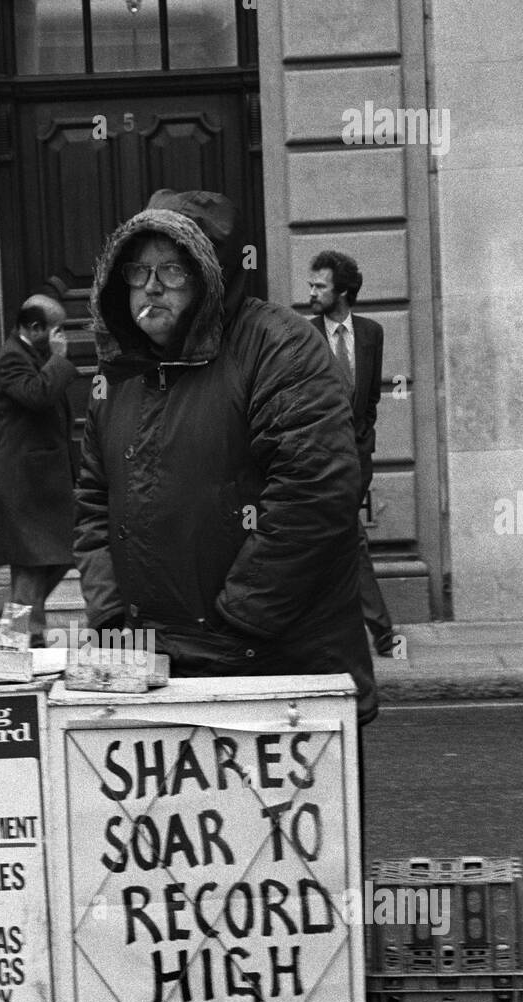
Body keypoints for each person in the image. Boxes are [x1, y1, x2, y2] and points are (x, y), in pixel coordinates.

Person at [74, 189, 378, 726]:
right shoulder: (117, 375)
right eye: (137, 271)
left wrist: (238, 619)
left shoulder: (279, 347)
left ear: (209, 274)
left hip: (278, 674)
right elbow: (95, 505)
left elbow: (315, 493)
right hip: (161, 674)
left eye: (172, 270)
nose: (151, 286)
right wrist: (112, 615)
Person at [308, 250, 397, 657]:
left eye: (319, 286)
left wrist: (363, 440)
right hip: (319, 458)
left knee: (339, 538)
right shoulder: (305, 335)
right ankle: (381, 630)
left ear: (341, 291)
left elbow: (372, 397)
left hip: (357, 457)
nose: (311, 292)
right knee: (345, 538)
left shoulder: (371, 332)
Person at [0, 295, 79, 647]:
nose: (61, 337)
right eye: (55, 329)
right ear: (33, 327)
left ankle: (19, 618)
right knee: (33, 561)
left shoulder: (33, 355)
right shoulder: (11, 358)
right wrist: (58, 359)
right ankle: (24, 628)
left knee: (62, 553)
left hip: (43, 481)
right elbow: (37, 396)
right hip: (26, 483)